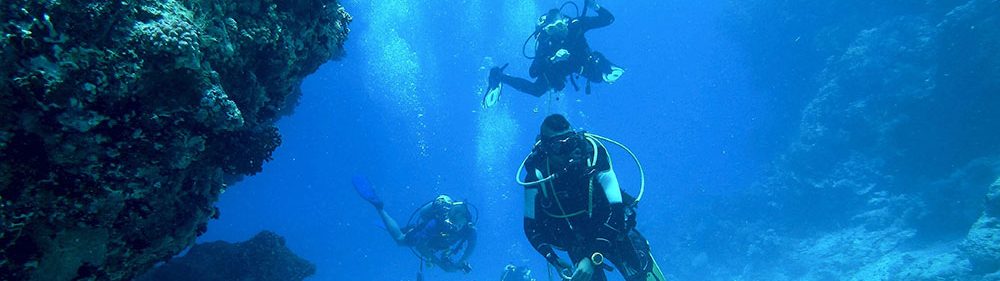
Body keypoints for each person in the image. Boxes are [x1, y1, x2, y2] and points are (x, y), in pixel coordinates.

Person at [516, 114, 666, 281]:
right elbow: (531, 227)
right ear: (546, 148)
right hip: (577, 240)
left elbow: (616, 210)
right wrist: (554, 259)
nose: (566, 153)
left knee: (640, 271)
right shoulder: (537, 176)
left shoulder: (593, 157)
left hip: (612, 227)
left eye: (570, 144)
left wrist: (594, 256)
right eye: (558, 147)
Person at [483, 0, 625, 108]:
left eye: (560, 26)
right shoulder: (545, 42)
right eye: (552, 29)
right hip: (559, 68)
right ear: (546, 31)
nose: (558, 32)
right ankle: (498, 77)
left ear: (565, 21)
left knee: (597, 77)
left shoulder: (576, 25)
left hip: (579, 61)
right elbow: (533, 72)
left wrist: (595, 7)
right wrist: (553, 59)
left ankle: (604, 64)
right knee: (537, 91)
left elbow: (608, 19)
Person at [352, 176, 476, 274]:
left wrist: (460, 262)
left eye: (459, 220)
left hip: (435, 238)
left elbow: (470, 246)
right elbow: (420, 245)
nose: (454, 223)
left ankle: (410, 229)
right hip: (429, 233)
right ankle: (379, 207)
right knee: (400, 240)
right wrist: (440, 264)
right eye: (454, 217)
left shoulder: (470, 230)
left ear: (466, 221)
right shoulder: (438, 223)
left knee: (433, 240)